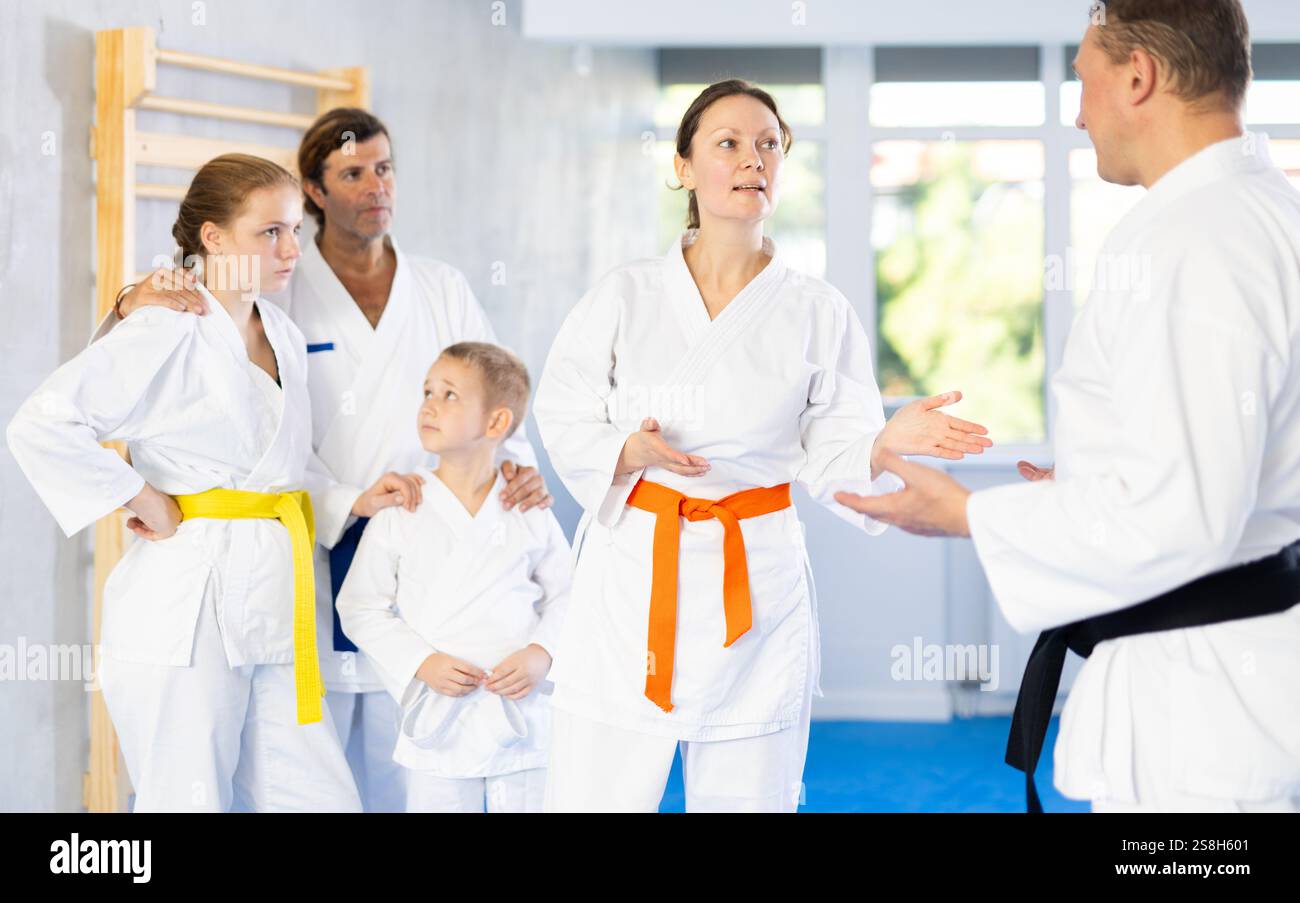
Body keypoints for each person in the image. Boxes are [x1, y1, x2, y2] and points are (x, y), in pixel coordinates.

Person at [836, 0, 1300, 813]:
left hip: (1203, 717)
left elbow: (1185, 513)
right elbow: (1235, 457)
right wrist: (1092, 481)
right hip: (1238, 685)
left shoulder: (1191, 240)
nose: (1079, 113)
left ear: (1138, 75)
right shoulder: (1270, 212)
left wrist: (969, 516)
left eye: (1083, 82)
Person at [533, 79, 993, 812]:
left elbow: (834, 448)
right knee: (594, 790)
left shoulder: (816, 310)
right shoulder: (624, 295)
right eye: (729, 143)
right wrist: (625, 449)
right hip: (632, 573)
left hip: (753, 574)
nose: (754, 159)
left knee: (750, 793)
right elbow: (561, 405)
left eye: (769, 144)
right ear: (683, 167)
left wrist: (881, 442)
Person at [105, 108, 552, 811]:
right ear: (314, 191)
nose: (376, 186)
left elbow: (494, 390)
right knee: (312, 746)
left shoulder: (440, 287)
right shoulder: (280, 285)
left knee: (414, 745)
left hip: (432, 532)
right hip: (317, 531)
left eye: (385, 169)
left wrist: (515, 465)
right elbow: (209, 355)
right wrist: (133, 296)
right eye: (352, 173)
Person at [5, 154, 420, 811]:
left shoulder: (281, 332)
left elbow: (283, 469)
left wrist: (354, 499)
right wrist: (141, 497)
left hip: (277, 600)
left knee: (320, 798)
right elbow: (42, 422)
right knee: (186, 800)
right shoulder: (167, 323)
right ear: (214, 238)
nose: (291, 249)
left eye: (293, 231)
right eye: (270, 233)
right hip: (187, 607)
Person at [337, 343, 569, 812]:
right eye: (427, 390)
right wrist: (421, 662)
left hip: (518, 714)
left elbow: (570, 594)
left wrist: (542, 654)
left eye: (449, 395)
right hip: (439, 717)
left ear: (497, 423)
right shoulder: (403, 506)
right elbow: (360, 606)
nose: (429, 404)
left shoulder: (526, 507)